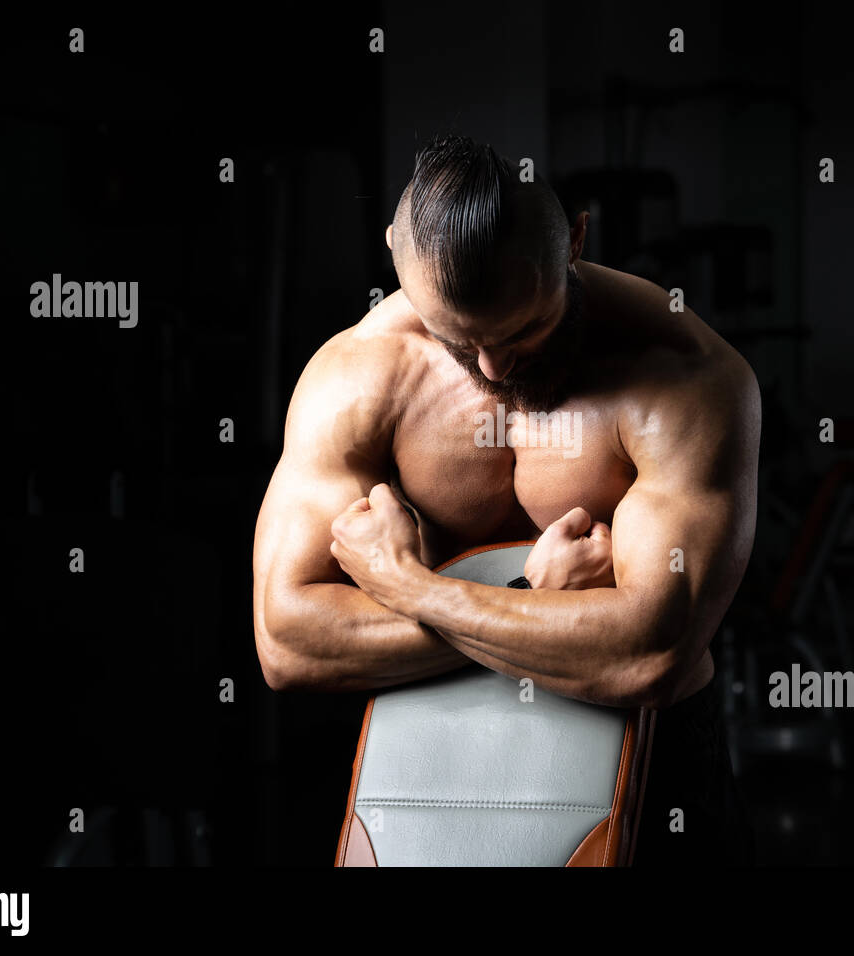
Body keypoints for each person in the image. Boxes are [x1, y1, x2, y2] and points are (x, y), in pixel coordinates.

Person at [252, 133, 760, 865]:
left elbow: (652, 654)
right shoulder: (361, 373)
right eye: (458, 339)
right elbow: (287, 640)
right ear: (398, 255)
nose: (494, 366)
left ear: (576, 241)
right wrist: (539, 598)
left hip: (655, 774)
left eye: (525, 329)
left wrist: (404, 585)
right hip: (429, 763)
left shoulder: (685, 377)